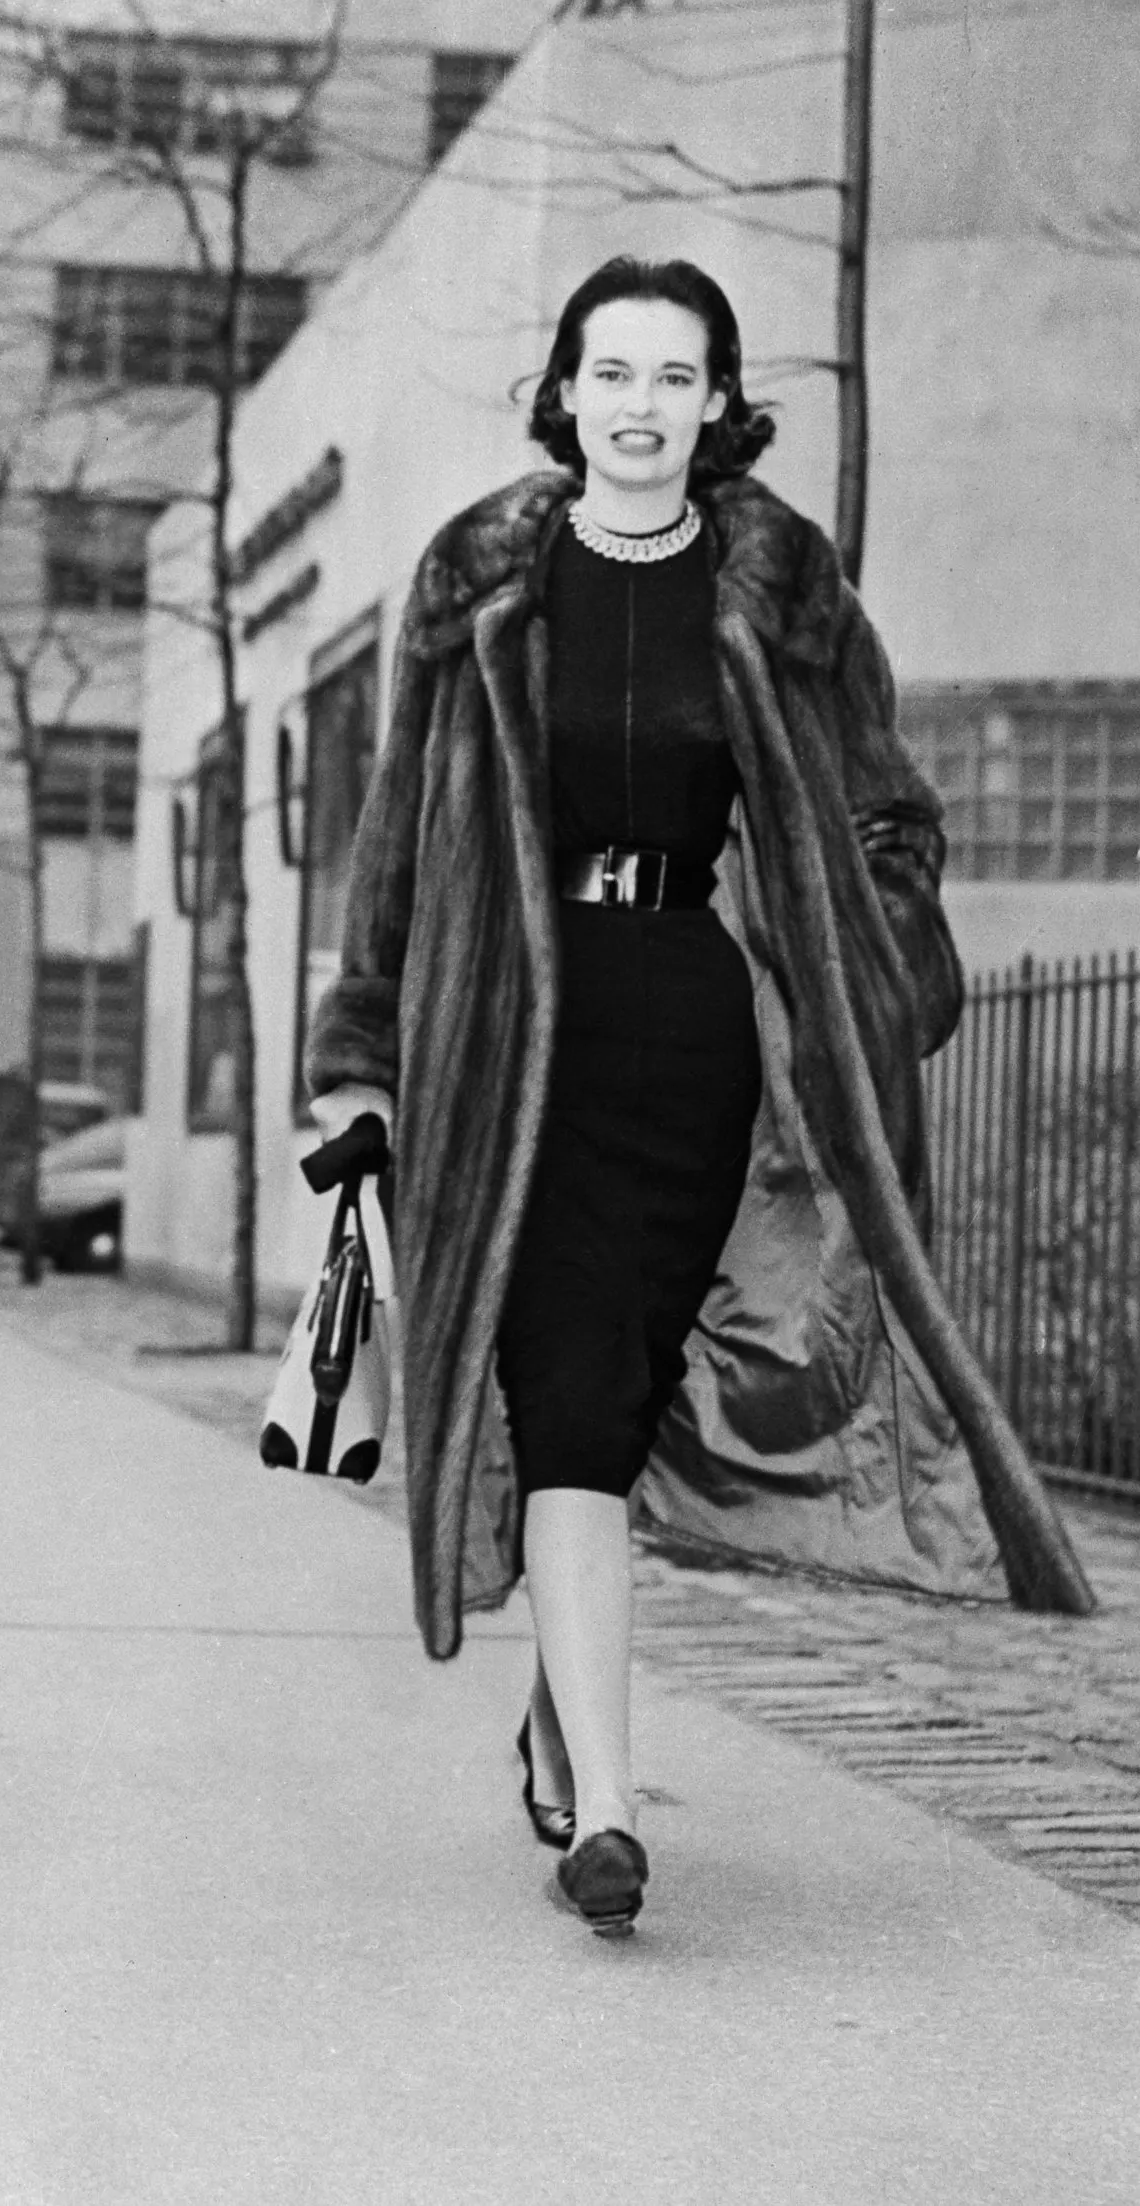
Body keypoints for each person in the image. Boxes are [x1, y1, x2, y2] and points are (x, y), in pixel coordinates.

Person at [304, 257, 1091, 1937]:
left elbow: (886, 809)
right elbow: (394, 846)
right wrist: (360, 1056)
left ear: (718, 398)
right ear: (564, 391)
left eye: (675, 376)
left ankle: (559, 1718)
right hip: (510, 1046)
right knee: (571, 1396)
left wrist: (882, 961)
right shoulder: (474, 581)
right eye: (612, 373)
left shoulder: (784, 587)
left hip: (691, 1032)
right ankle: (605, 1811)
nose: (641, 405)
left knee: (633, 1386)